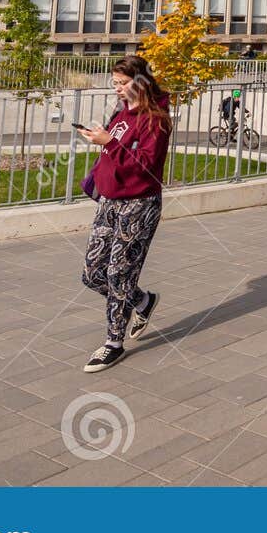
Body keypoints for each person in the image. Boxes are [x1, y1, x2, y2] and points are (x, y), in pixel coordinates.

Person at [77, 63, 172, 373]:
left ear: (140, 82)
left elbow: (145, 163)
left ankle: (113, 343)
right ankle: (142, 301)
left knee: (119, 275)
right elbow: (113, 151)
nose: (116, 87)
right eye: (114, 82)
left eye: (121, 82)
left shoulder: (155, 120)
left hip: (139, 205)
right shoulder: (120, 113)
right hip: (109, 203)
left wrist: (109, 143)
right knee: (92, 275)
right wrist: (101, 143)